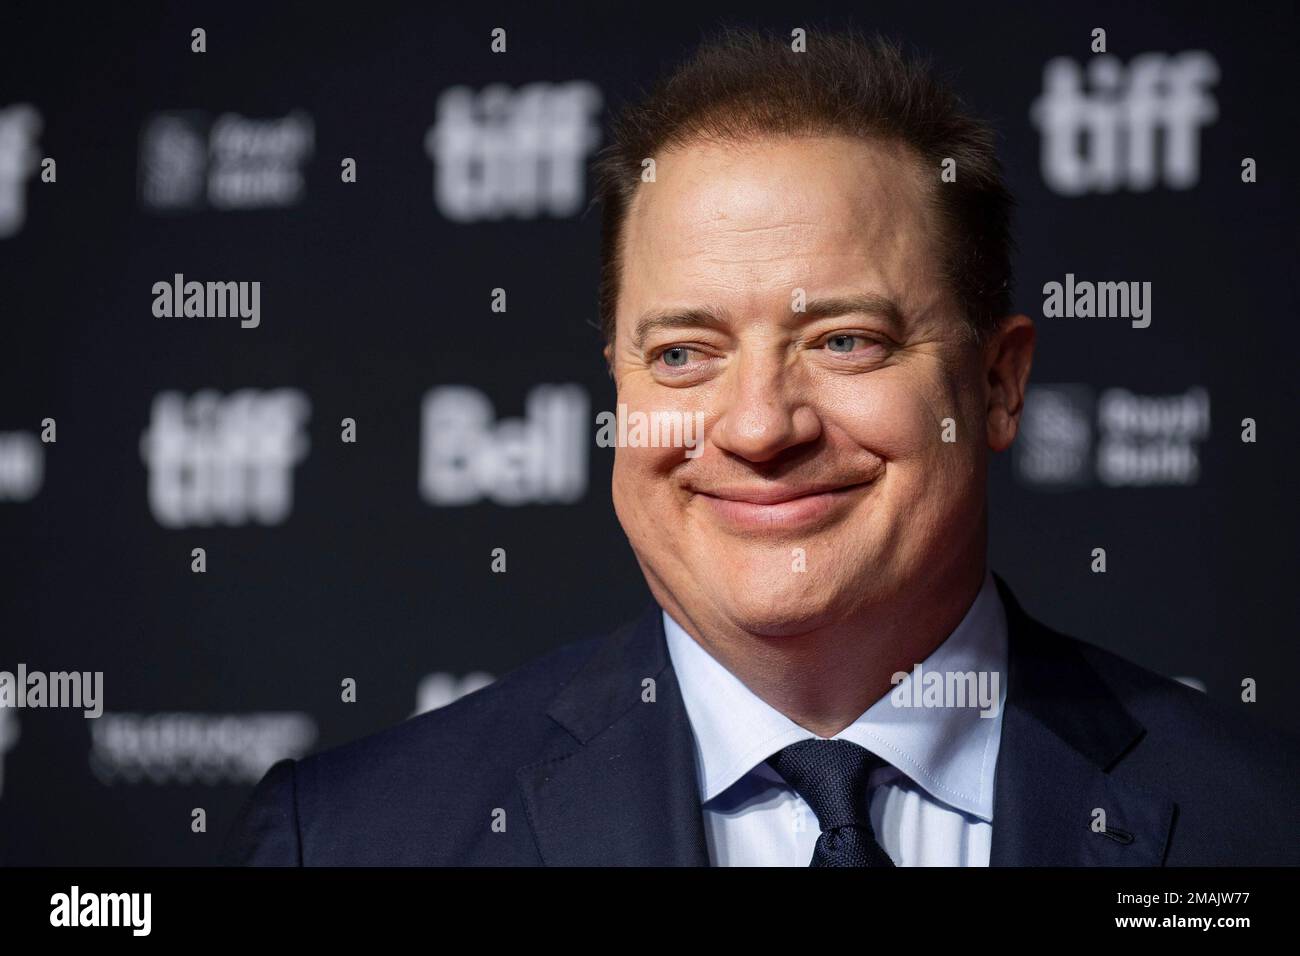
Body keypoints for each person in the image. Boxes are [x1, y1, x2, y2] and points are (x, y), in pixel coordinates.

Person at [224, 28, 1299, 867]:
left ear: (995, 383)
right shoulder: (357, 837)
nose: (756, 426)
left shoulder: (1256, 821)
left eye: (843, 340)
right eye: (684, 354)